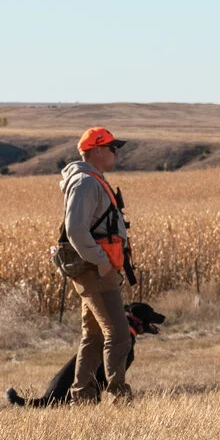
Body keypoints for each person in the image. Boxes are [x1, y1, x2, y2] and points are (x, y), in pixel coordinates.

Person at [55, 125, 136, 403]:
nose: (116, 153)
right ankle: (118, 397)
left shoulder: (90, 179)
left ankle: (83, 397)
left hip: (96, 269)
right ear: (97, 150)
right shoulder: (86, 182)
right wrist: (102, 261)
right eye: (113, 148)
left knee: (94, 335)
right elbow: (76, 229)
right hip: (95, 271)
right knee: (119, 334)